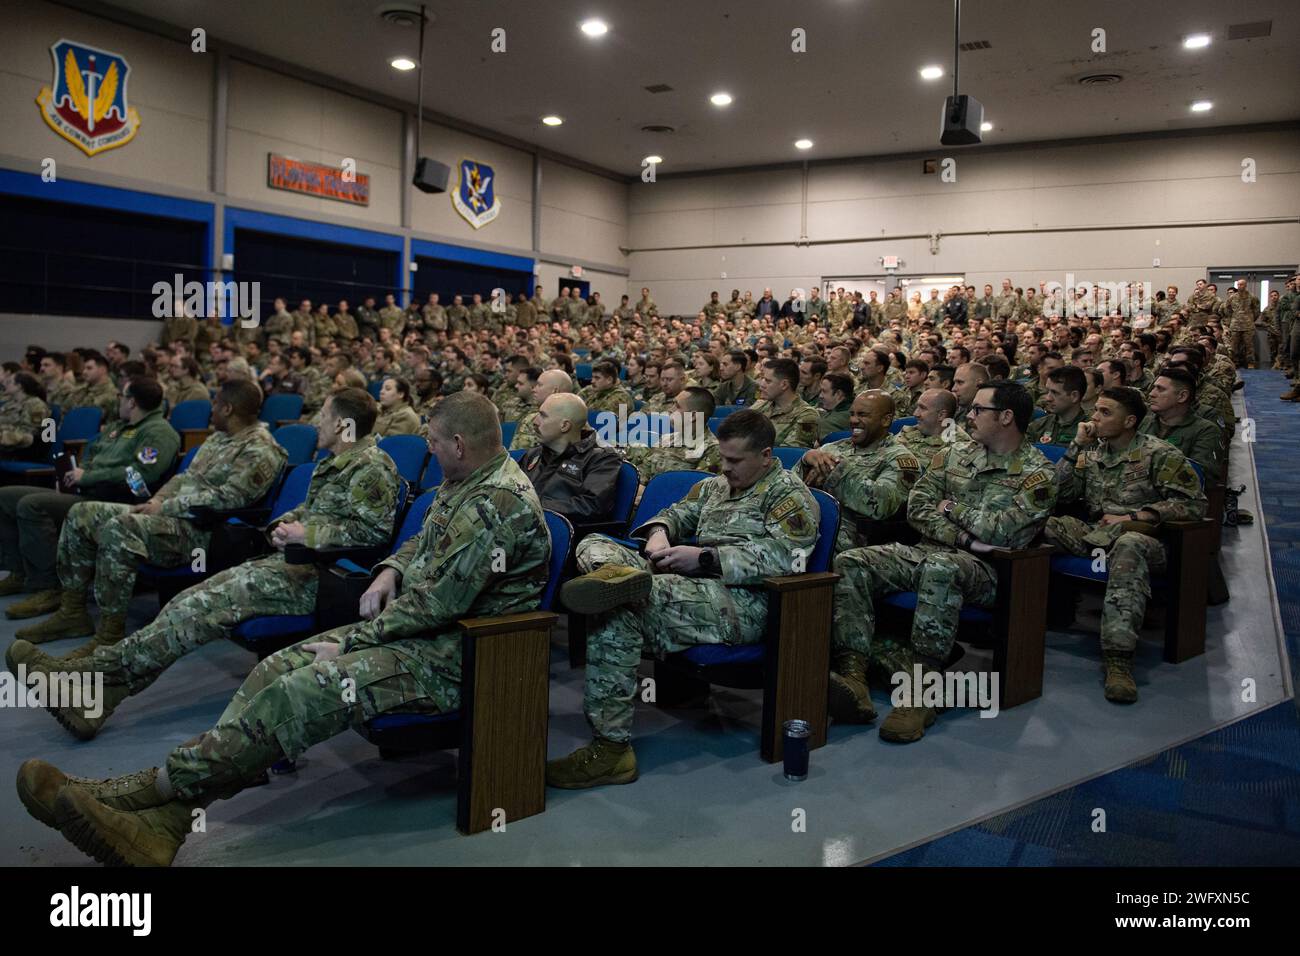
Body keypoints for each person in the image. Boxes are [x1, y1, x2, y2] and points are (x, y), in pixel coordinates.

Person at [17, 393, 550, 866]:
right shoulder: (464, 481)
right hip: (418, 634)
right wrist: (392, 569)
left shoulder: (495, 502)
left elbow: (437, 607)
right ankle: (166, 818)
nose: (427, 450)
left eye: (432, 442)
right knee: (274, 667)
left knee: (299, 687)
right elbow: (421, 541)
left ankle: (141, 796)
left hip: (464, 655)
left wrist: (347, 642)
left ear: (458, 443)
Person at [9, 388, 402, 740]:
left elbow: (372, 533)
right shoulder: (337, 463)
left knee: (196, 611)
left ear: (343, 424)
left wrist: (306, 536)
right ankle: (99, 690)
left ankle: (92, 681)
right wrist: (283, 526)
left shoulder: (373, 466)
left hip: (326, 578)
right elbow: (309, 511)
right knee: (186, 602)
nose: (317, 423)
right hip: (289, 566)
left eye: (324, 416)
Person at [547, 410, 818, 788]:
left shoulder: (788, 495)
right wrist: (659, 532)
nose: (724, 467)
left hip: (745, 603)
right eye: (722, 457)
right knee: (594, 543)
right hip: (694, 585)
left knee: (620, 609)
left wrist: (705, 558)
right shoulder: (717, 486)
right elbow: (678, 512)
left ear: (767, 455)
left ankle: (611, 749)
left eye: (735, 460)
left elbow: (791, 558)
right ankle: (620, 576)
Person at [828, 380, 1057, 737]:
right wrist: (964, 535)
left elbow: (1005, 534)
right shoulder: (955, 454)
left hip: (992, 571)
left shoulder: (1037, 473)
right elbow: (918, 508)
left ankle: (921, 693)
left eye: (980, 409)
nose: (969, 415)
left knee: (941, 567)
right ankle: (853, 673)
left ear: (1007, 417)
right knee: (852, 561)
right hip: (931, 550)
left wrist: (951, 507)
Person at [11, 379, 288, 651]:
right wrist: (158, 499)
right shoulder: (218, 438)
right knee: (80, 513)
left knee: (121, 528)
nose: (211, 410)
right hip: (170, 518)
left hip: (204, 531)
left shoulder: (260, 449)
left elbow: (231, 499)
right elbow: (184, 478)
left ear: (227, 409)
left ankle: (109, 634)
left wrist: (165, 507)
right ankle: (72, 612)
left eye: (215, 404)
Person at [1045, 387, 1206, 703]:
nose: (1095, 418)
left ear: (1130, 420)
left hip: (1148, 542)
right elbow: (1055, 495)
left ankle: (1118, 660)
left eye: (1106, 413)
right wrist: (1075, 446)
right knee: (1041, 525)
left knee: (1130, 543)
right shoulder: (1092, 452)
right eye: (1095, 411)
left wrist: (1137, 514)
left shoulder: (1158, 454)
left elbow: (1194, 505)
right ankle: (1015, 624)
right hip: (1096, 534)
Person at [0, 378, 180, 613]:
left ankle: (50, 586)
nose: (120, 402)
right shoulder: (118, 426)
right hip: (84, 489)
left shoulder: (159, 433)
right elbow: (92, 454)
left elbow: (143, 473)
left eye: (122, 397)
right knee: (4, 496)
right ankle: (18, 571)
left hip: (112, 498)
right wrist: (72, 475)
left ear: (132, 402)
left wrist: (87, 477)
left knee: (31, 505)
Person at [799, 391, 921, 553]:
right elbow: (792, 487)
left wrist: (836, 470)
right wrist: (805, 461)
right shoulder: (833, 447)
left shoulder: (901, 459)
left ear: (885, 420)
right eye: (852, 414)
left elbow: (883, 505)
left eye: (862, 415)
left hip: (855, 538)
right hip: (809, 519)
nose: (854, 420)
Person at [517, 394, 622, 528]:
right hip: (523, 525)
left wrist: (532, 504)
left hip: (559, 532)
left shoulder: (601, 458)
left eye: (543, 416)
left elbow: (591, 506)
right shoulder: (535, 453)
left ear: (565, 426)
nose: (535, 421)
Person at [1139, 366, 1225, 485]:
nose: (1152, 394)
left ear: (1182, 396)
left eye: (1160, 389)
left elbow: (1201, 474)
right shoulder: (1144, 422)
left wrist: (1145, 469)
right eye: (1153, 388)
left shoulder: (1205, 430)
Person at [624, 386, 721, 482]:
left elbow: (696, 491)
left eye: (677, 406)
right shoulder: (666, 439)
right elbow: (643, 475)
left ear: (693, 416)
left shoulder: (712, 450)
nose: (670, 409)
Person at [749, 358, 820, 448]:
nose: (761, 385)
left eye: (768, 381)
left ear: (784, 385)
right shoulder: (761, 405)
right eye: (762, 379)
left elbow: (789, 453)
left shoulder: (807, 415)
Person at [895, 388, 968, 462]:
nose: (915, 414)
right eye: (918, 407)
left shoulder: (960, 447)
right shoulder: (910, 430)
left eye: (922, 408)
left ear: (941, 415)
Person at [510, 369, 573, 450]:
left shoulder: (577, 422)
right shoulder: (530, 419)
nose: (533, 390)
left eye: (539, 385)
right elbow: (516, 455)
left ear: (555, 391)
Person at [1027, 365, 1089, 446]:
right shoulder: (1037, 427)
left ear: (1074, 396)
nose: (1048, 398)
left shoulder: (1088, 431)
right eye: (1048, 391)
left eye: (1055, 393)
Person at [0, 373, 50, 459]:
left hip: (20, 449)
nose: (5, 384)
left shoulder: (35, 405)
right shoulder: (10, 404)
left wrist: (3, 436)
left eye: (9, 382)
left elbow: (30, 434)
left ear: (19, 386)